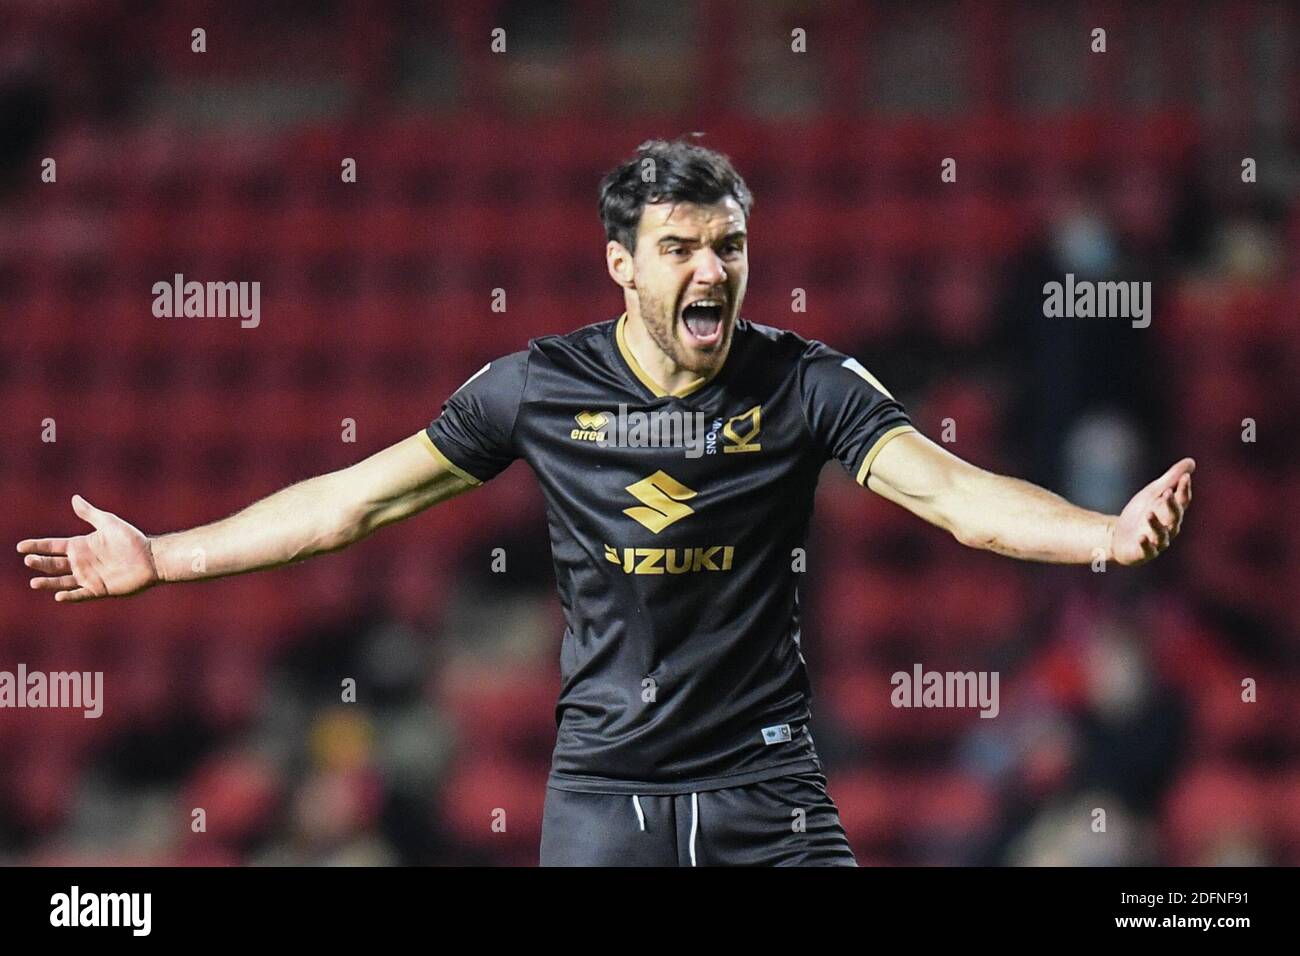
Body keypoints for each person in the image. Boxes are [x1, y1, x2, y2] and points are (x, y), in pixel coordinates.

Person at [17, 138, 1193, 866]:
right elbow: (350, 505)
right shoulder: (533, 389)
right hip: (605, 799)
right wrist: (165, 557)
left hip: (767, 791)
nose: (713, 270)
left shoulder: (805, 382)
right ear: (621, 264)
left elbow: (958, 498)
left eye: (728, 245)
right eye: (681, 245)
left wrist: (1100, 533)